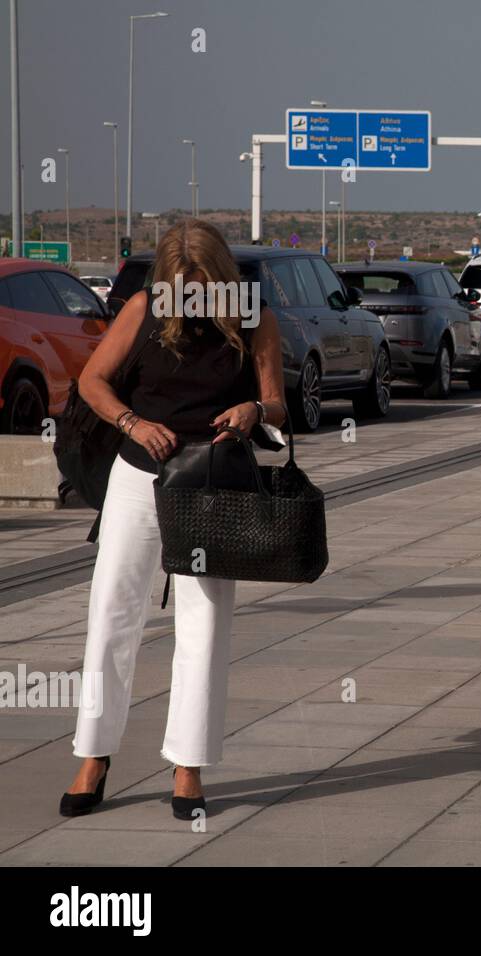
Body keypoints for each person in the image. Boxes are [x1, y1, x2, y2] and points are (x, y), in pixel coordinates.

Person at [60, 219, 286, 821]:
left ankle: (188, 767)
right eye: (182, 285)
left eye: (205, 284)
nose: (194, 296)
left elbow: (279, 402)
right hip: (137, 476)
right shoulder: (142, 310)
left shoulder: (253, 318)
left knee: (205, 624)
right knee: (111, 613)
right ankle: (94, 755)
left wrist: (253, 408)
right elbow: (92, 380)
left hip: (212, 486)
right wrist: (132, 423)